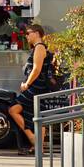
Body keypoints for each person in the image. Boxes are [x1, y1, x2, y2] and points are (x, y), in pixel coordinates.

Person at [8, 23, 55, 154]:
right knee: (37, 114)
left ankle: (33, 138)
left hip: (36, 87)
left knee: (13, 109)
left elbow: (36, 69)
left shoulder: (39, 48)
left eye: (28, 33)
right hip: (37, 87)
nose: (26, 36)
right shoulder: (38, 48)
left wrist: (26, 84)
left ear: (36, 33)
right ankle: (38, 145)